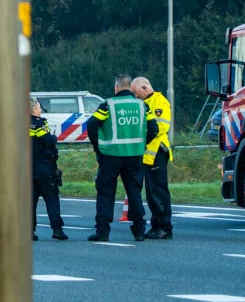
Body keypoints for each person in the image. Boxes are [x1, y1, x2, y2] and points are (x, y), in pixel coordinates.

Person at [85, 74, 159, 242]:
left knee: (105, 193)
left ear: (116, 87)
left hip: (110, 156)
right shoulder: (142, 106)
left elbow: (91, 124)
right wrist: (142, 144)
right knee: (134, 193)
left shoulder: (108, 105)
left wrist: (99, 147)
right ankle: (139, 230)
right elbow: (154, 128)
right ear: (130, 88)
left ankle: (102, 232)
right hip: (134, 155)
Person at [132, 77, 173, 239]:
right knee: (151, 193)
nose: (135, 96)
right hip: (148, 155)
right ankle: (156, 225)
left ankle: (164, 227)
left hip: (157, 153)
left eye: (136, 93)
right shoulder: (146, 102)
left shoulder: (159, 102)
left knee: (159, 191)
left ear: (145, 87)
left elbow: (159, 127)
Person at [30, 98, 67, 241]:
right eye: (39, 107)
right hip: (43, 168)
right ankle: (57, 229)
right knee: (51, 199)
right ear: (33, 109)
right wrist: (54, 138)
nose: (40, 110)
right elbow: (49, 141)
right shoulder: (38, 124)